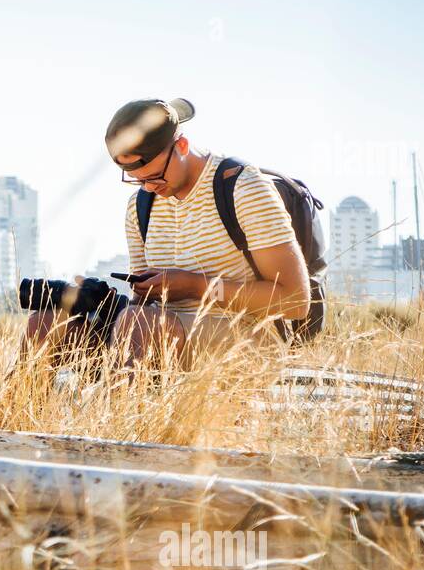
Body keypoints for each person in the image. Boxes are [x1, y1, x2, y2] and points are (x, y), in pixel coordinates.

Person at [23, 97, 310, 368]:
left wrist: (197, 287)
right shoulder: (141, 204)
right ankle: (8, 420)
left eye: (154, 176)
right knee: (45, 324)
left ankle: (125, 418)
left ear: (182, 146)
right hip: (155, 332)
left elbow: (296, 301)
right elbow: (144, 305)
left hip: (246, 340)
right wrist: (111, 304)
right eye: (136, 179)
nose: (148, 187)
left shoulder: (244, 187)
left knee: (137, 323)